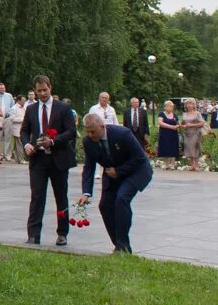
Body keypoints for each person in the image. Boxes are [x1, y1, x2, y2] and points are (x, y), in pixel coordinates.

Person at [77, 112, 153, 254]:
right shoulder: (88, 142)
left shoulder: (122, 134)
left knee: (122, 198)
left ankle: (122, 245)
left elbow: (140, 158)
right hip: (112, 174)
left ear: (102, 126)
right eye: (87, 132)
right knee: (104, 205)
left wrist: (119, 171)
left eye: (93, 131)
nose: (90, 135)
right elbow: (88, 167)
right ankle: (119, 245)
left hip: (136, 171)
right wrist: (86, 192)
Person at [20, 75, 78, 246]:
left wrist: (53, 141)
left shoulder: (63, 108)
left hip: (58, 158)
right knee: (37, 196)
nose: (43, 93)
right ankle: (33, 234)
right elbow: (24, 131)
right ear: (35, 91)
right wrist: (26, 145)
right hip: (38, 159)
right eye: (39, 91)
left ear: (50, 88)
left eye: (45, 90)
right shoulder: (31, 109)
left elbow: (71, 132)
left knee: (61, 196)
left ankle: (62, 233)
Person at [179, 98, 204, 171]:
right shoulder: (184, 114)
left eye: (191, 104)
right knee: (188, 148)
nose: (189, 105)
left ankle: (196, 165)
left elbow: (202, 123)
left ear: (194, 105)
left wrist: (191, 125)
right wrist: (182, 125)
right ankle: (192, 165)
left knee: (195, 147)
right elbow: (182, 123)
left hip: (195, 132)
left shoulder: (197, 113)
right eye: (187, 104)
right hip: (186, 133)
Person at [156, 100, 179, 170]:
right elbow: (160, 123)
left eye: (171, 107)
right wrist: (171, 127)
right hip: (164, 134)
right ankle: (166, 164)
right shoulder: (161, 114)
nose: (170, 108)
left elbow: (178, 123)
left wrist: (177, 126)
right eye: (168, 106)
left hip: (173, 135)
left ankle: (172, 164)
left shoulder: (175, 115)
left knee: (173, 148)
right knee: (165, 148)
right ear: (165, 107)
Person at [6, 95, 27, 165]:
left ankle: (18, 158)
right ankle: (21, 159)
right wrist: (22, 120)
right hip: (16, 129)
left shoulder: (24, 107)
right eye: (23, 100)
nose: (24, 102)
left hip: (22, 128)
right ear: (18, 100)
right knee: (19, 144)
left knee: (18, 144)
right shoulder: (14, 108)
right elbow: (12, 118)